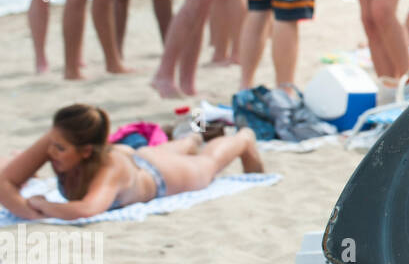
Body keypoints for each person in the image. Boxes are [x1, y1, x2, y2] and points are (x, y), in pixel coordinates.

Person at [1, 104, 263, 221]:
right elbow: (5, 181)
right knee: (185, 146)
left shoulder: (108, 167)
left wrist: (43, 204)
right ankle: (193, 133)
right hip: (139, 159)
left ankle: (243, 138)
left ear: (85, 151)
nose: (50, 152)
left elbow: (85, 209)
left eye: (59, 149)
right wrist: (26, 210)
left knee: (208, 164)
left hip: (156, 176)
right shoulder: (59, 139)